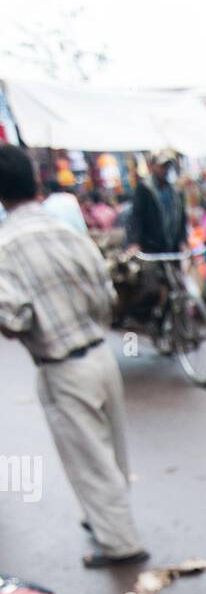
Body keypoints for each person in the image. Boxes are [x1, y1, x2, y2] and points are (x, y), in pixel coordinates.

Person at [0, 145, 147, 568]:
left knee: (89, 458)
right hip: (99, 354)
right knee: (112, 452)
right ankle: (110, 522)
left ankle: (119, 542)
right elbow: (106, 295)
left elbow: (15, 317)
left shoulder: (7, 246)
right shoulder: (67, 230)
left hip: (62, 364)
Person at [127, 149, 187, 254]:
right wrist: (134, 242)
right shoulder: (144, 188)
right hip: (151, 247)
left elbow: (181, 218)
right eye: (162, 166)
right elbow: (136, 216)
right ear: (153, 166)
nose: (165, 170)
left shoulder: (174, 191)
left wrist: (183, 241)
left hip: (172, 247)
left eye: (167, 166)